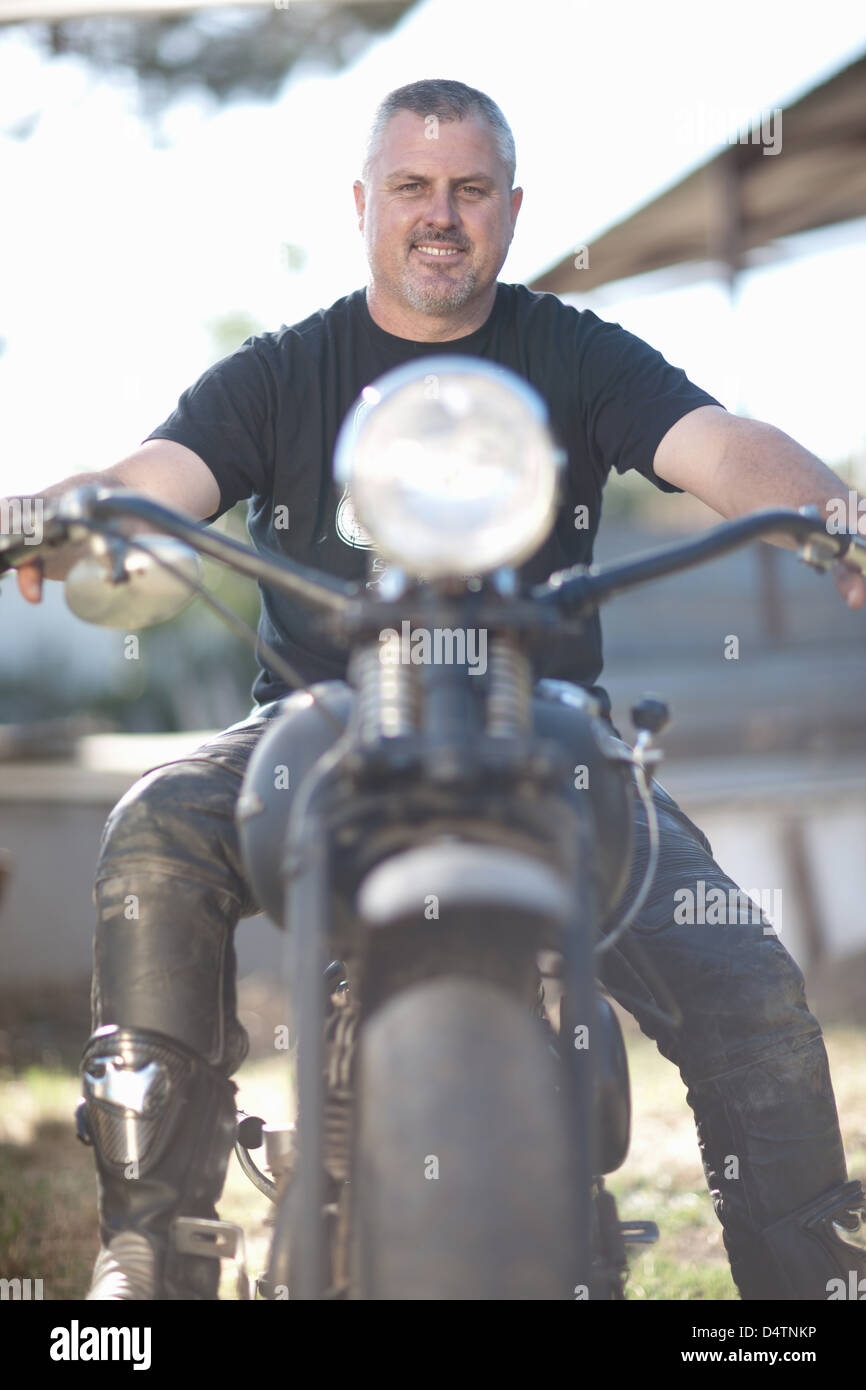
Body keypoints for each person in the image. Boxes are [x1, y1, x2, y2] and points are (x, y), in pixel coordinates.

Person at [13, 79, 866, 1301]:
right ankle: (152, 1245)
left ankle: (802, 1300)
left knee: (745, 982)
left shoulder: (569, 350)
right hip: (314, 723)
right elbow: (159, 476)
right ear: (364, 203)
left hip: (547, 730)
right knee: (153, 828)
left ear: (511, 210)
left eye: (469, 190)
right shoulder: (282, 370)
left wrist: (820, 506)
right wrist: (68, 509)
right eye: (411, 188)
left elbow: (717, 442)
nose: (439, 216)